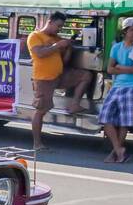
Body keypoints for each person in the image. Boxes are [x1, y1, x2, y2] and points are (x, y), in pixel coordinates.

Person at [27, 11, 91, 150]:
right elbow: (40, 53)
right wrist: (58, 46)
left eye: (61, 27)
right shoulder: (35, 36)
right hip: (43, 79)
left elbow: (64, 61)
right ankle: (37, 144)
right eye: (58, 25)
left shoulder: (57, 38)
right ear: (49, 21)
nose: (59, 29)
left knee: (85, 75)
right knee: (41, 110)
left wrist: (68, 48)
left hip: (59, 76)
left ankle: (75, 104)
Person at [98, 17, 133, 164]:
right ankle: (118, 149)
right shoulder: (117, 47)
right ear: (125, 31)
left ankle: (116, 152)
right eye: (132, 30)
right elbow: (109, 68)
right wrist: (121, 69)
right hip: (117, 86)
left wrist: (120, 68)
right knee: (105, 117)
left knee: (124, 121)